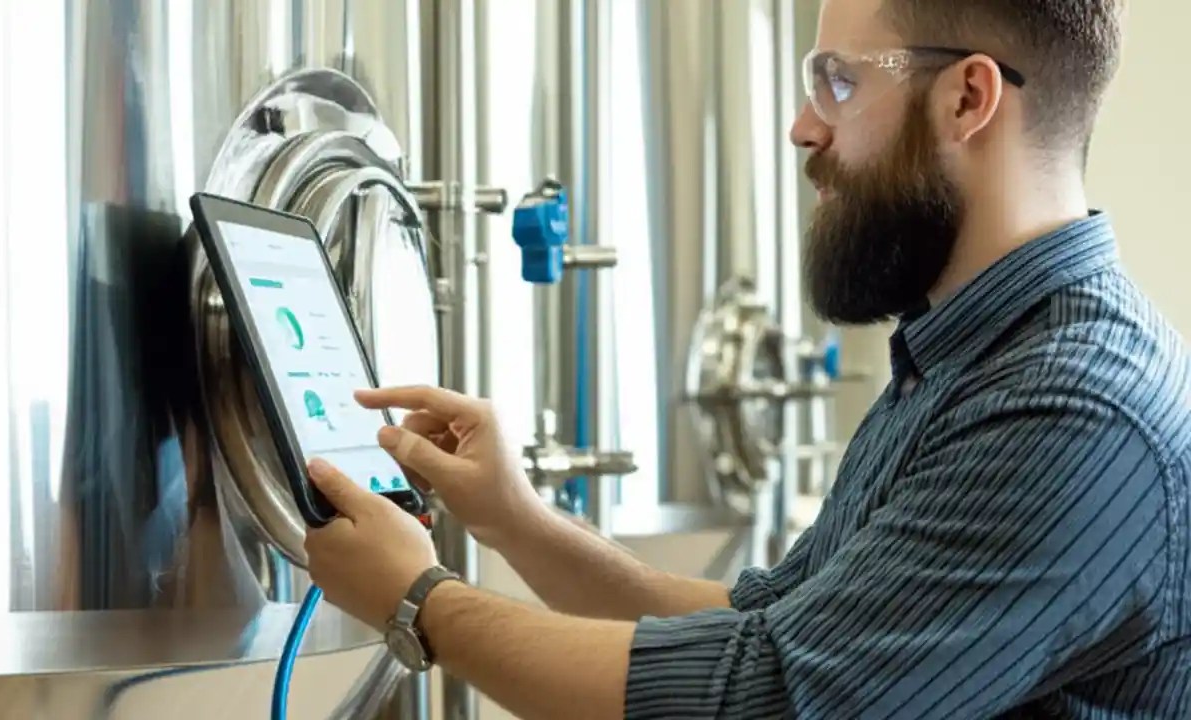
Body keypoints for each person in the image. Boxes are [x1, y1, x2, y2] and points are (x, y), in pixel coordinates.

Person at [304, 0, 1191, 717]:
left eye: (838, 83)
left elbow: (772, 698)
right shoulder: (965, 354)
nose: (805, 127)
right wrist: (514, 520)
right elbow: (767, 626)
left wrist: (420, 600)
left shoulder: (1071, 406)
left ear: (968, 98)